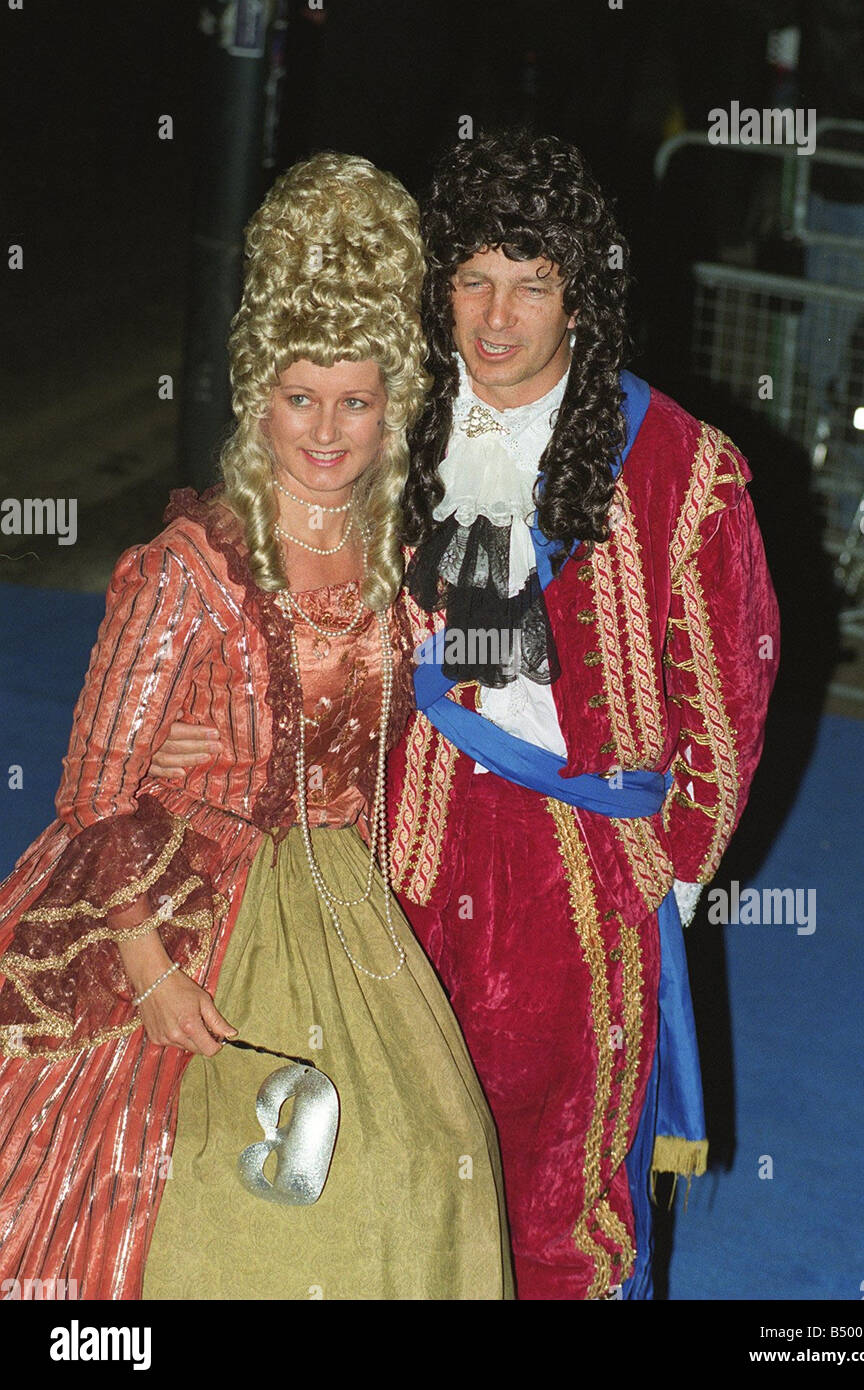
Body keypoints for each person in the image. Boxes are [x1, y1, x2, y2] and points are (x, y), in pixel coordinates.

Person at [152, 131, 780, 1301]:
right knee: (393, 1163)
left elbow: (727, 695)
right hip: (396, 849)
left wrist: (662, 870)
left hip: (580, 879)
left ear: (579, 298)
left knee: (560, 1191)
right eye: (473, 280)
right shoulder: (381, 428)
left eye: (531, 285)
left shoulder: (679, 466)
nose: (496, 318)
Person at [0, 153, 513, 1301]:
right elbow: (91, 793)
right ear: (255, 395)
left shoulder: (407, 567)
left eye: (356, 401)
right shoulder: (184, 572)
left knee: (424, 1154)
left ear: (396, 408)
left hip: (345, 902)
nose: (325, 431)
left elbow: (438, 746)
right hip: (182, 899)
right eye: (298, 397)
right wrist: (147, 973)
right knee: (226, 1192)